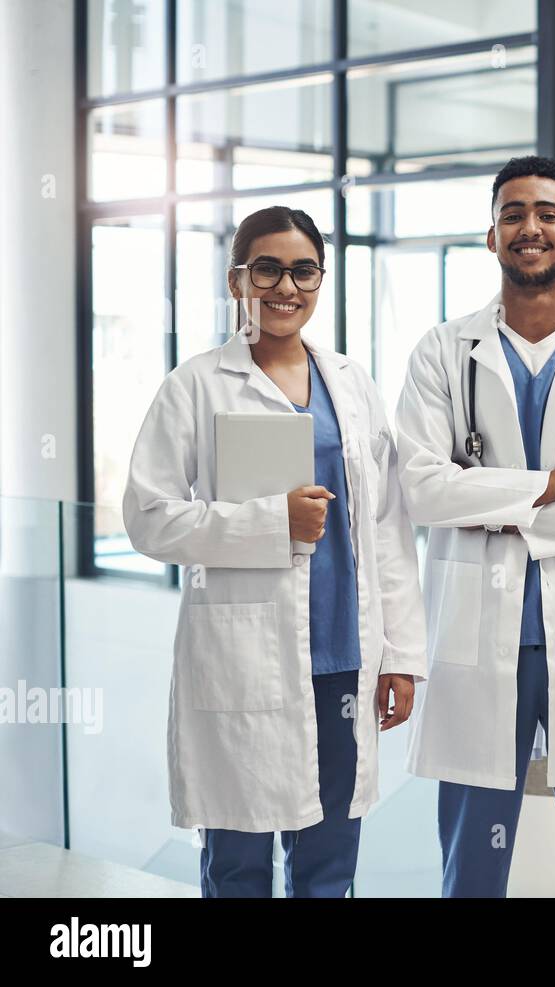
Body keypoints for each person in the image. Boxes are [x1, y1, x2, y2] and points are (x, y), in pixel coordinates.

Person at [123, 206, 426, 897]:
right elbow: (146, 518)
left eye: (303, 269)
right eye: (267, 268)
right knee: (239, 862)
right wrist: (269, 524)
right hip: (243, 657)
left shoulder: (352, 384)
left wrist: (403, 656)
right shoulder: (196, 385)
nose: (285, 286)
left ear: (320, 279)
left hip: (345, 658)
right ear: (237, 280)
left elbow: (387, 527)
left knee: (329, 863)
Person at [395, 155, 555, 898]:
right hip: (482, 634)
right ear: (491, 235)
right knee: (473, 867)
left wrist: (498, 508)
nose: (530, 227)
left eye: (547, 213)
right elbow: (423, 489)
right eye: (513, 214)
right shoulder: (442, 353)